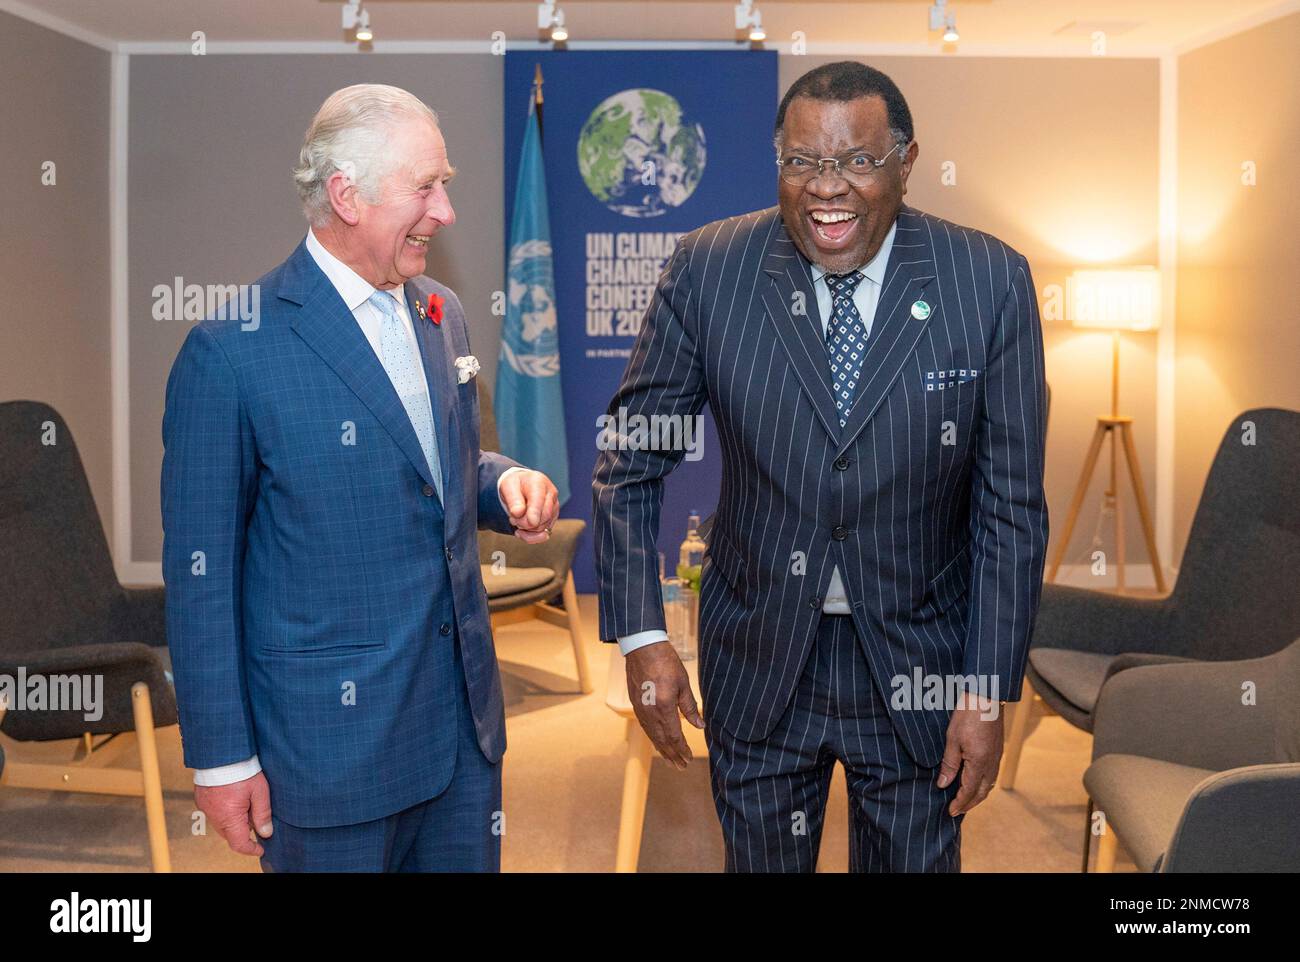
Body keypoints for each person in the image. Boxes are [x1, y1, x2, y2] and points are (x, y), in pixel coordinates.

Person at [593, 61, 1048, 872]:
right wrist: (642, 635)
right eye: (801, 162)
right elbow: (631, 461)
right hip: (759, 658)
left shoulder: (989, 281)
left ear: (905, 163)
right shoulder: (709, 268)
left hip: (919, 671)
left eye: (857, 161)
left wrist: (987, 689)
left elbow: (1009, 510)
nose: (824, 187)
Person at [162, 84, 559, 872]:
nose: (445, 212)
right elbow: (201, 577)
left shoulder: (440, 311)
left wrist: (502, 482)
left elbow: (435, 465)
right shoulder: (232, 351)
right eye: (427, 187)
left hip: (463, 738)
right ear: (345, 194)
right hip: (328, 759)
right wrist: (221, 760)